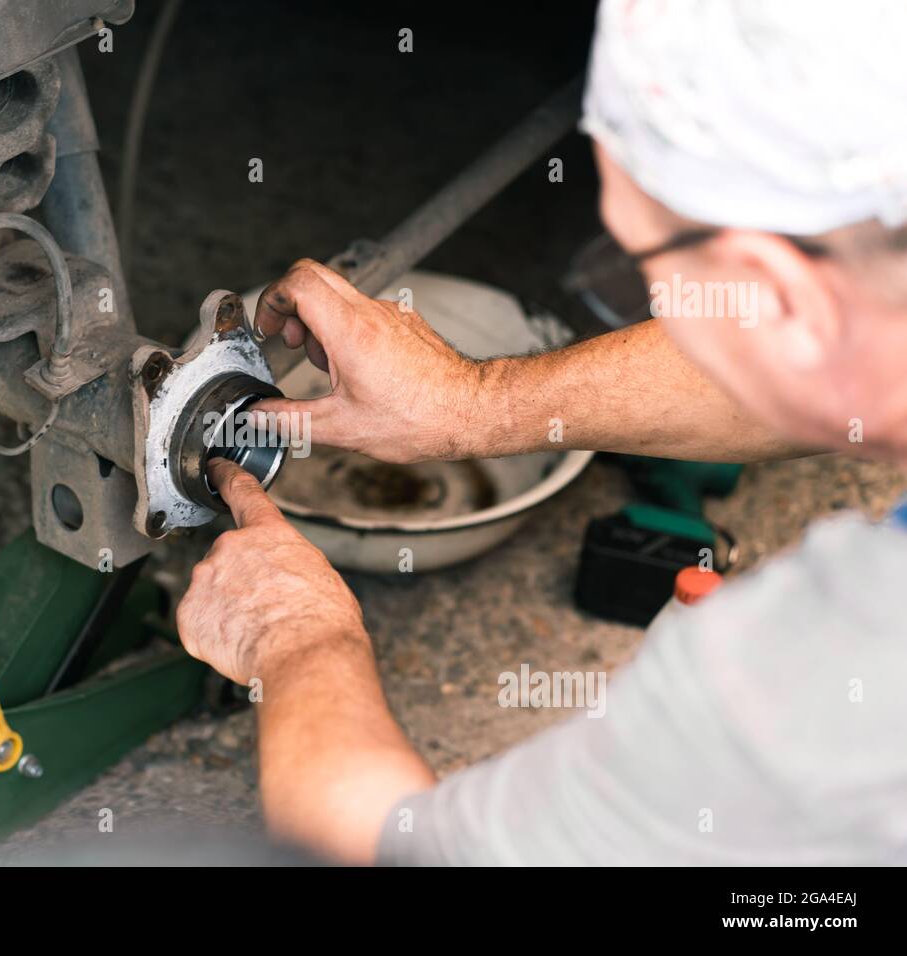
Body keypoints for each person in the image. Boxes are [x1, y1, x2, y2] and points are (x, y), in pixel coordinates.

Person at [174, 0, 907, 865]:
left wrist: (296, 637)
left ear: (778, 295)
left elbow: (401, 853)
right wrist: (466, 403)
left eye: (651, 273)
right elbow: (828, 352)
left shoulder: (821, 678)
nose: (652, 306)